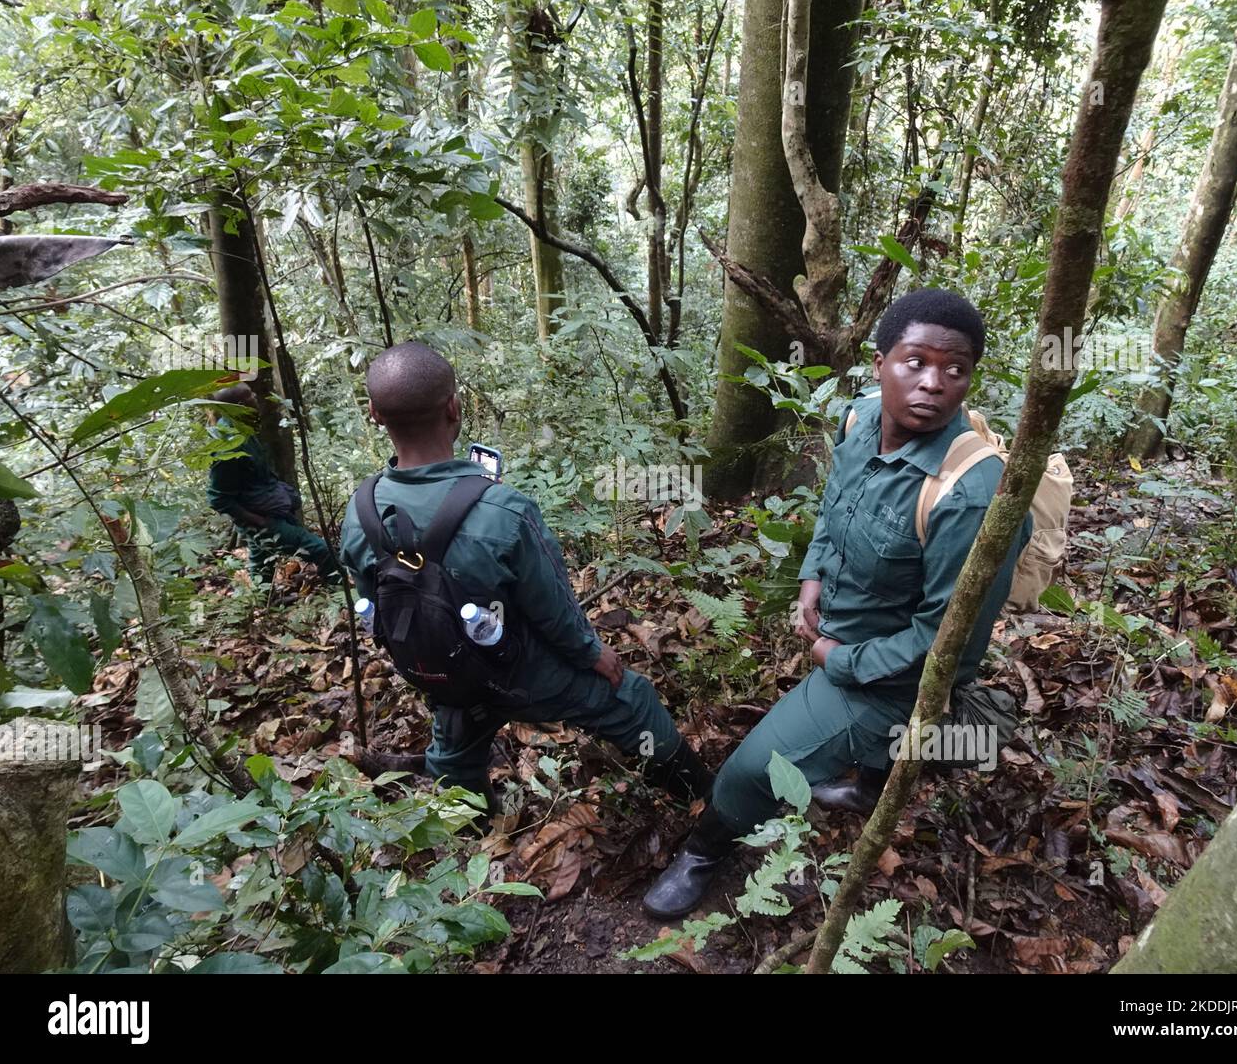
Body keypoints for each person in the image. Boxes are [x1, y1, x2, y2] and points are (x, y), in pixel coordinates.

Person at [643, 288, 1032, 920]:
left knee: (751, 767)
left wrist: (834, 658)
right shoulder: (860, 418)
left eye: (954, 370)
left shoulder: (971, 495)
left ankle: (703, 852)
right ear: (879, 363)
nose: (934, 384)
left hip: (886, 677)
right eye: (915, 362)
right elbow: (836, 506)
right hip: (845, 627)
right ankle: (865, 783)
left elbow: (948, 646)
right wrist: (811, 578)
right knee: (839, 744)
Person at [338, 340, 711, 813]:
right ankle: (703, 800)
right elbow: (552, 608)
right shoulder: (502, 508)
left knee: (454, 743)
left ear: (374, 414)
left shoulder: (360, 508)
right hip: (518, 672)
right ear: (454, 407)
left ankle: (469, 824)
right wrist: (594, 653)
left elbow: (373, 606)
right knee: (632, 699)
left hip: (439, 672)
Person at [206, 383, 338, 583]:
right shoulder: (228, 445)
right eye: (251, 396)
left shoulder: (242, 429)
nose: (256, 399)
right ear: (241, 405)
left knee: (261, 567)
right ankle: (341, 591)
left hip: (268, 513)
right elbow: (218, 498)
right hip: (263, 521)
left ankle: (260, 605)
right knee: (322, 550)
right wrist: (261, 523)